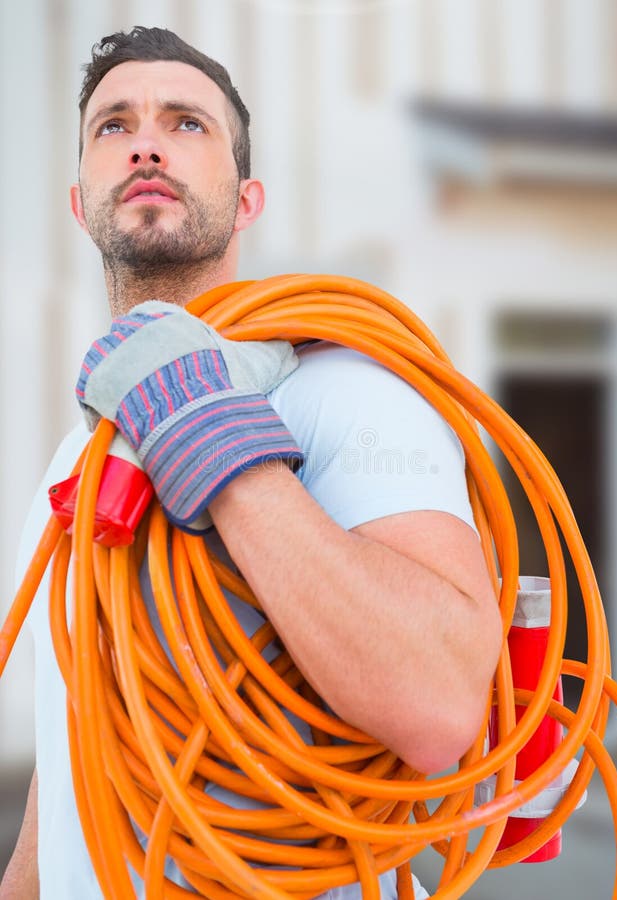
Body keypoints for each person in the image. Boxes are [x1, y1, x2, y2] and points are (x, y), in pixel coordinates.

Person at [0, 26, 501, 900]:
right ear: (80, 202)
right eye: (114, 126)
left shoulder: (345, 390)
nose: (146, 143)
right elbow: (77, 727)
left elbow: (440, 705)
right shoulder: (77, 456)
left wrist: (211, 434)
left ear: (247, 199)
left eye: (186, 123)